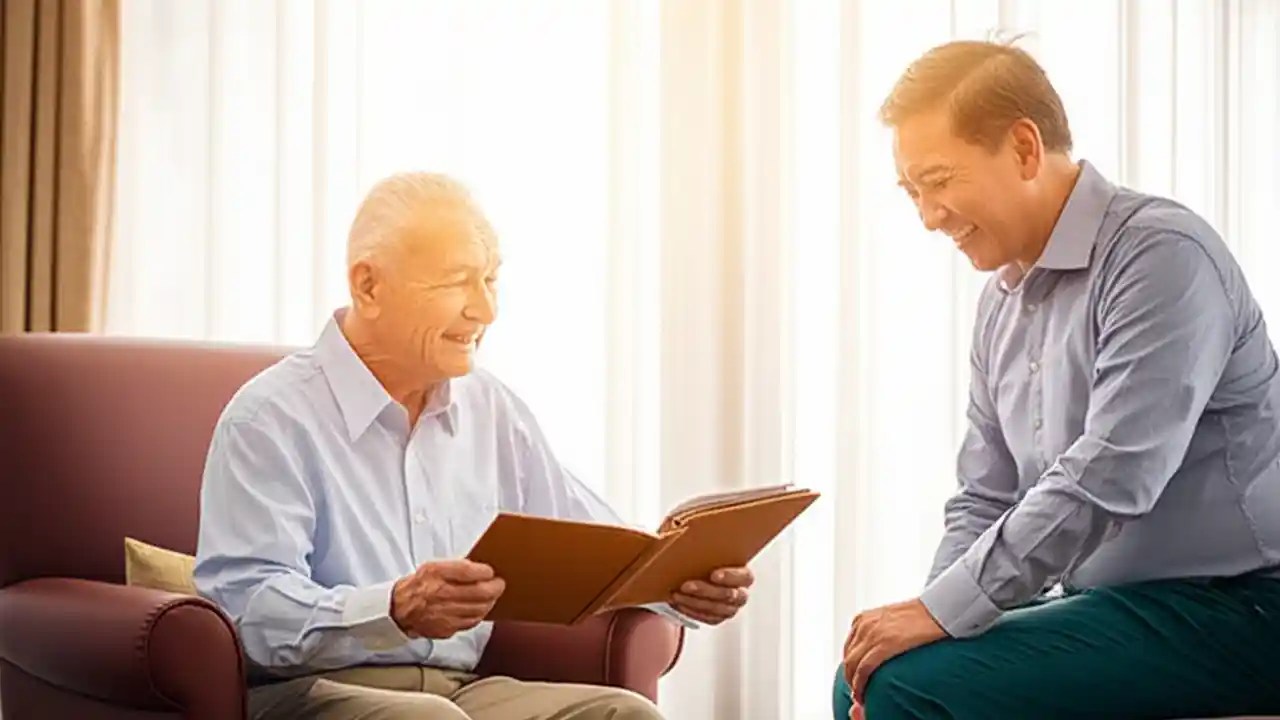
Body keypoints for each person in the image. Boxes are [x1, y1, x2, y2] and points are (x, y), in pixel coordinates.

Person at [194, 172, 755, 720]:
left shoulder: (489, 408)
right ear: (368, 286)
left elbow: (594, 547)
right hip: (310, 692)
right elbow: (246, 610)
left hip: (462, 691)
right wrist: (392, 609)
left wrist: (678, 585)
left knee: (621, 713)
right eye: (456, 281)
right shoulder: (269, 416)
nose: (485, 311)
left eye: (490, 280)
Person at [834, 39, 1280, 719]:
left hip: (1242, 606)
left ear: (1022, 148)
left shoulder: (1161, 257)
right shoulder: (1001, 302)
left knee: (910, 687)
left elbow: (1112, 474)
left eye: (939, 179)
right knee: (871, 675)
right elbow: (984, 495)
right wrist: (925, 623)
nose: (928, 216)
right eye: (912, 191)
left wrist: (939, 617)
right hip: (1115, 605)